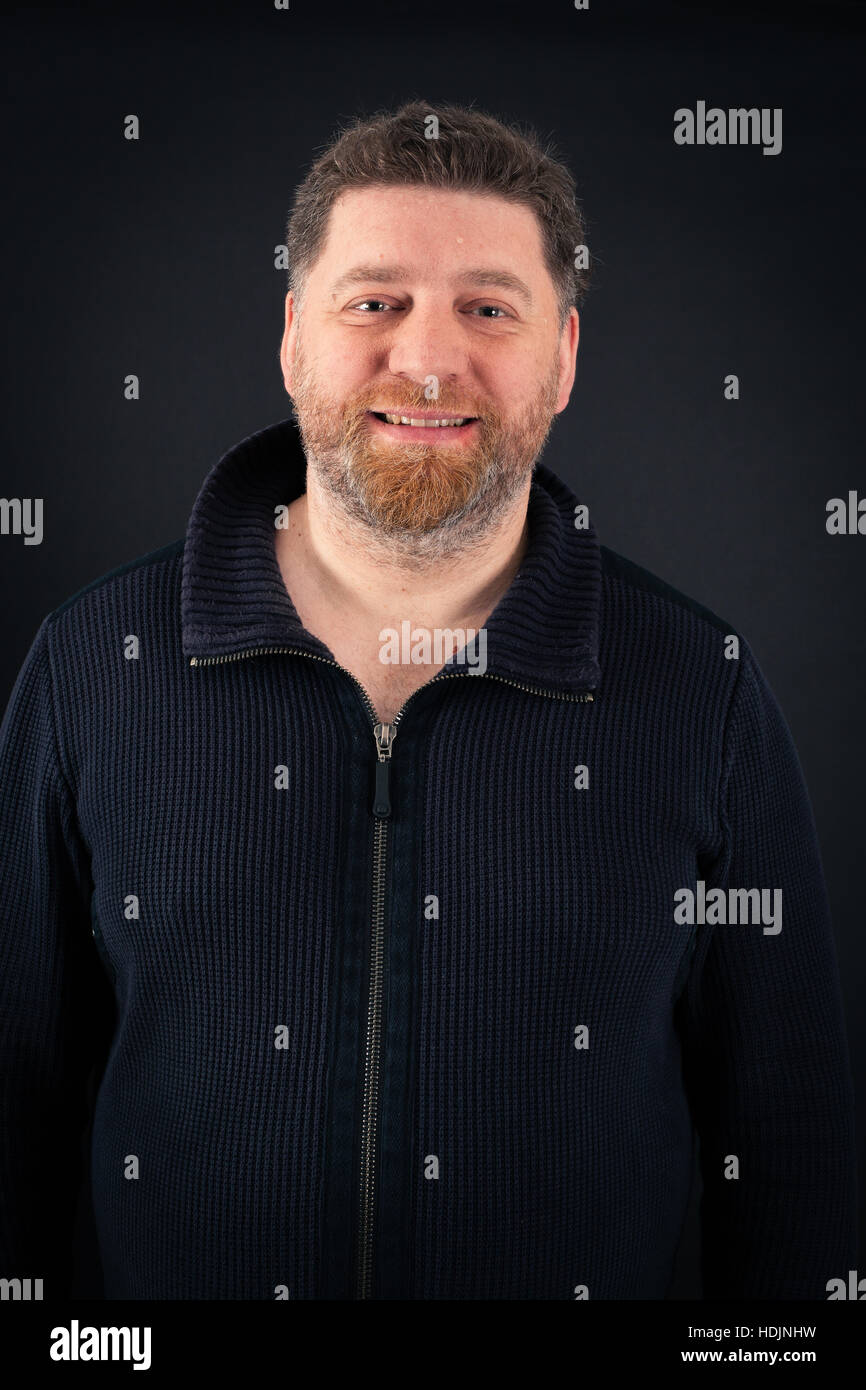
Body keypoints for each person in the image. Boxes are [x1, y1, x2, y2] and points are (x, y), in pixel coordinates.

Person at [0, 100, 856, 1301]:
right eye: (375, 302)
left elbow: (791, 1160)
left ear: (561, 353)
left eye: (487, 308)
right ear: (294, 336)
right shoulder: (92, 666)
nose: (429, 358)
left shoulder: (698, 692)